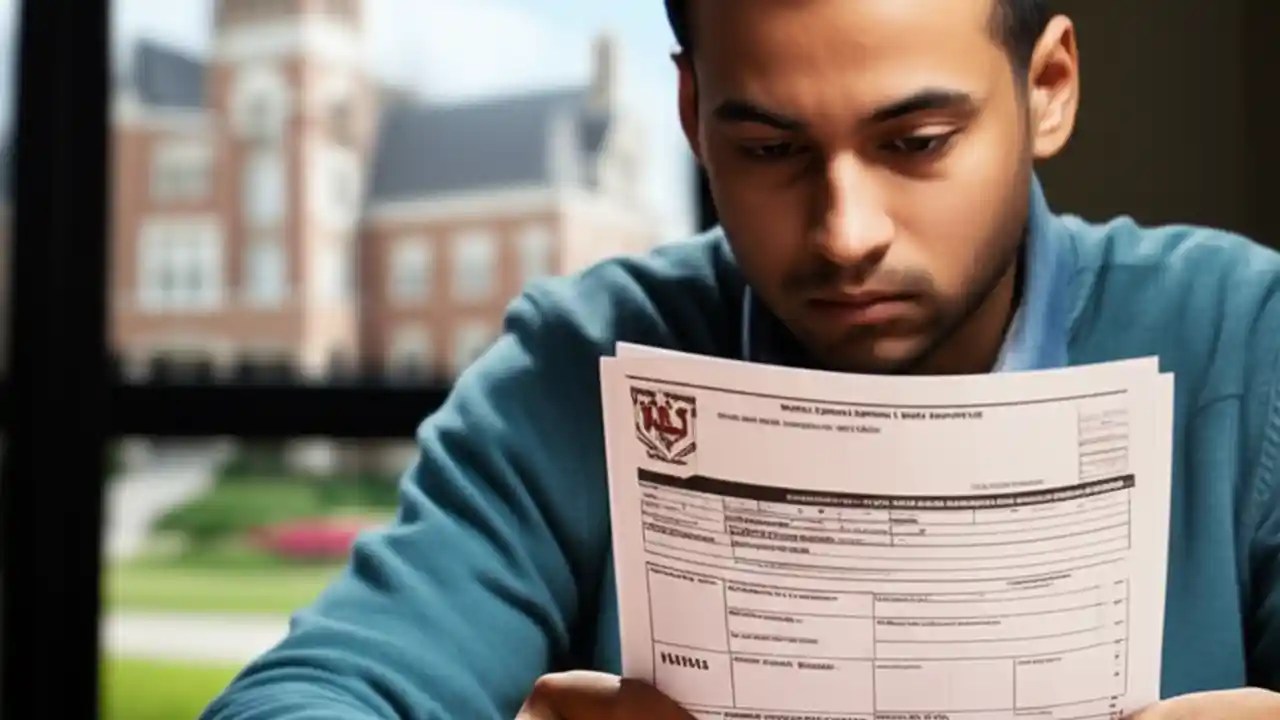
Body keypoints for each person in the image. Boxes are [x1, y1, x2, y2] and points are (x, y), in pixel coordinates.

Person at [204, 0, 1280, 718]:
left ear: (1045, 88)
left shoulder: (1245, 337)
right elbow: (310, 694)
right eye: (768, 152)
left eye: (913, 144)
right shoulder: (573, 367)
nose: (844, 231)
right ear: (690, 116)